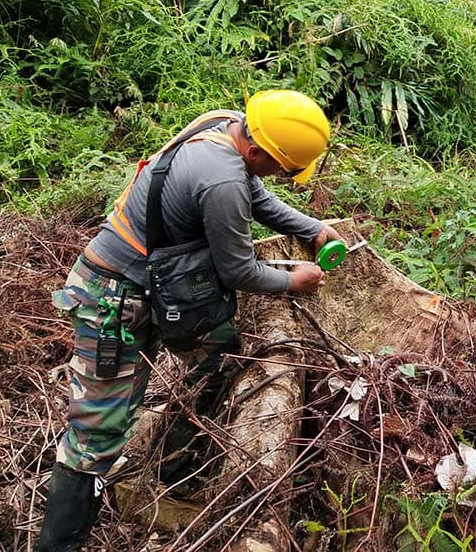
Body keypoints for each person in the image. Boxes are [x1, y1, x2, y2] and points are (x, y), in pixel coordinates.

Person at [38, 89, 343, 551]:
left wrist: (312, 228)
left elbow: (256, 197)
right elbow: (238, 270)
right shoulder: (221, 180)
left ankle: (172, 470)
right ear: (258, 150)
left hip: (160, 282)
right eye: (284, 167)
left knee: (219, 356)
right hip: (113, 298)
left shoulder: (225, 125)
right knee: (94, 436)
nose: (283, 176)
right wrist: (293, 282)